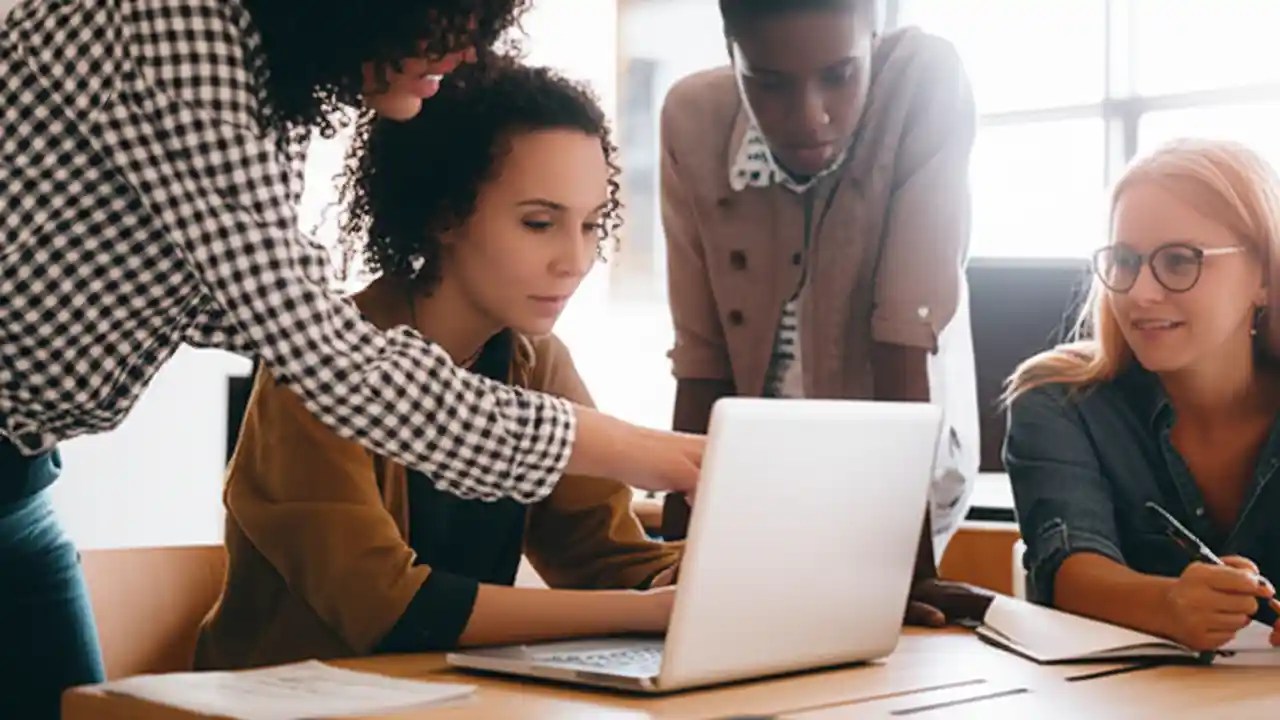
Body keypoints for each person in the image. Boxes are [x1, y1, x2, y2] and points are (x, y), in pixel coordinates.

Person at [1, 0, 697, 714]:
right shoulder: (177, 34)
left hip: (17, 479)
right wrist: (642, 454)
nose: (465, 51)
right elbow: (326, 358)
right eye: (452, 15)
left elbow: (260, 315)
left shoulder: (262, 96)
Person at [195, 60, 683, 669]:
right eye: (540, 223)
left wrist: (740, 571)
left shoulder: (536, 362)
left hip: (456, 703)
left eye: (590, 225)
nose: (576, 259)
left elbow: (606, 556)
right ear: (445, 212)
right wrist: (644, 612)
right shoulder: (318, 370)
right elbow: (389, 611)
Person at [658, 0, 986, 624]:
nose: (811, 117)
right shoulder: (693, 117)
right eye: (769, 83)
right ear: (732, 55)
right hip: (761, 477)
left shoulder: (922, 78)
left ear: (873, 39)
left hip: (905, 464)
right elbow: (701, 354)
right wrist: (672, 556)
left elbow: (902, 330)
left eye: (839, 74)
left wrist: (908, 569)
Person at [1004, 139, 1280, 652]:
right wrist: (1170, 605)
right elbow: (1070, 570)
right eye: (1125, 261)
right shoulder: (1059, 402)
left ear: (1263, 274)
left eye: (1179, 262)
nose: (1139, 293)